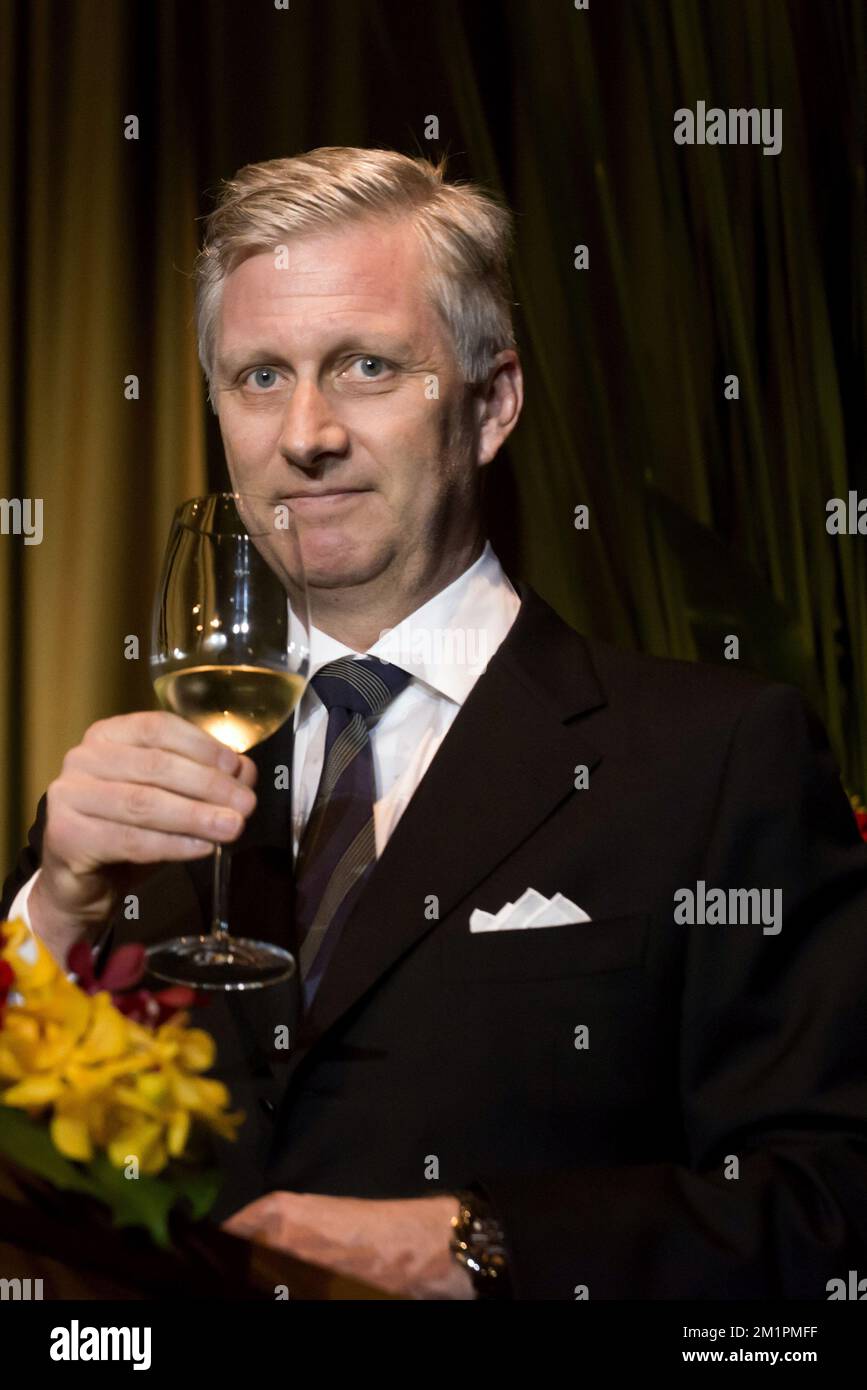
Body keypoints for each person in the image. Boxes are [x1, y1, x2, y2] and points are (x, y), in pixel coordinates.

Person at [4, 147, 867, 1301]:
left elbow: (830, 1199)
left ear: (493, 400)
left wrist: (478, 1244)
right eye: (259, 376)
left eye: (364, 366)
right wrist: (52, 912)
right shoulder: (137, 788)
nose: (304, 433)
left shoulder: (714, 758)